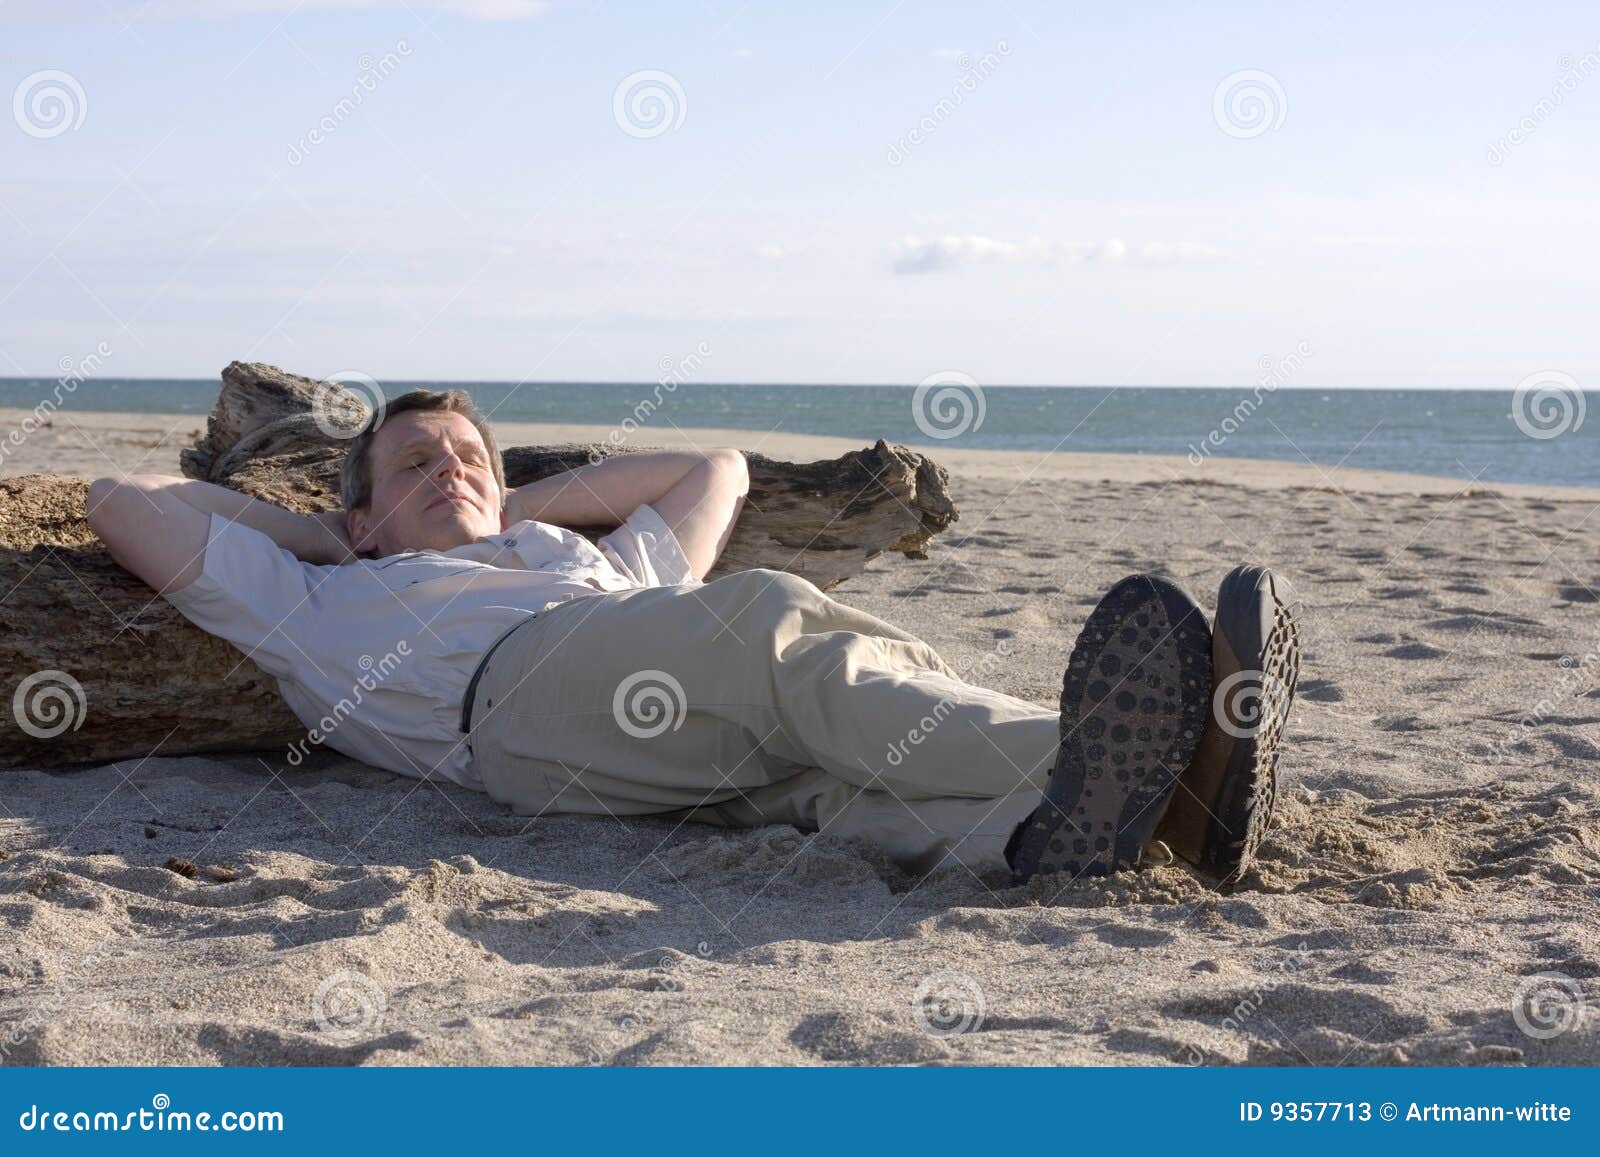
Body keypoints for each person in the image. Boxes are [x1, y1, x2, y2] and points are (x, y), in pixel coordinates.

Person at [87, 388, 1300, 885]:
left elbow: (709, 468)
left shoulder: (567, 554)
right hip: (511, 702)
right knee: (768, 619)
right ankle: (1139, 754)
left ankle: (1106, 823)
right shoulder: (320, 598)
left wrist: (514, 507)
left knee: (826, 785)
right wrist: (327, 536)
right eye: (416, 461)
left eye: (470, 453)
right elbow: (120, 499)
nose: (450, 468)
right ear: (360, 506)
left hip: (620, 695)